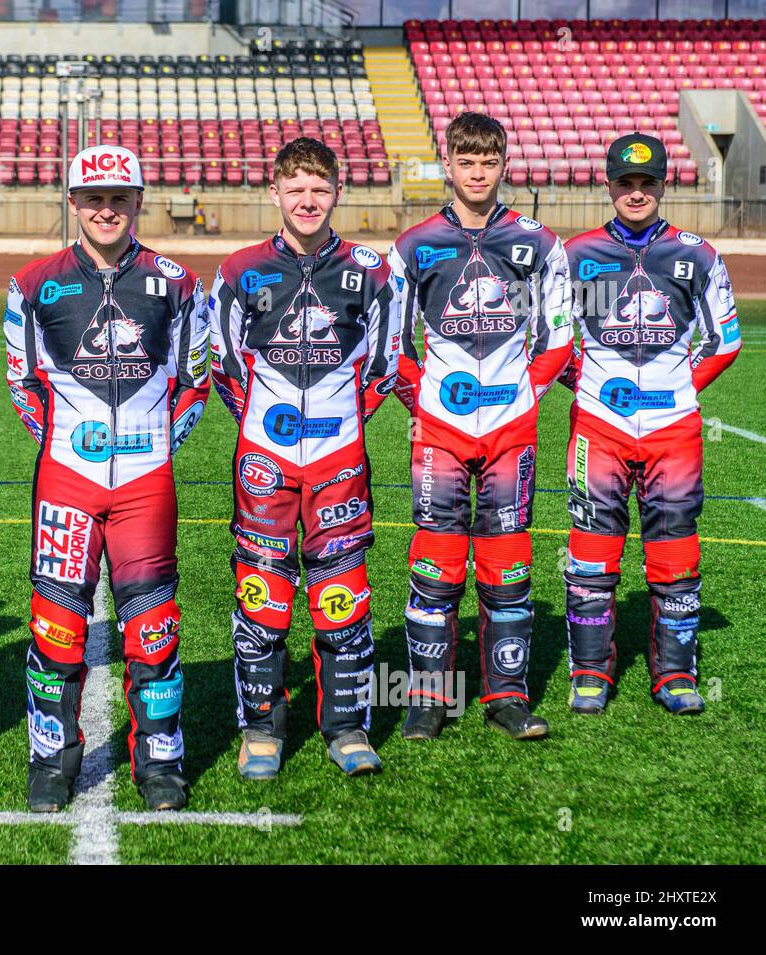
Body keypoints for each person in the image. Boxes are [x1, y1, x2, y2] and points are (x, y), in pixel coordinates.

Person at [4, 144, 210, 812]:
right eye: (93, 199)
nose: (106, 210)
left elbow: (196, 382)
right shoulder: (32, 283)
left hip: (146, 487)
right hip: (66, 479)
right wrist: (70, 446)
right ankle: (51, 760)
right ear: (73, 204)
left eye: (119, 198)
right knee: (56, 628)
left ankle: (159, 760)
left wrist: (153, 448)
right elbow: (21, 381)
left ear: (138, 202)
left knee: (154, 629)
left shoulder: (177, 282)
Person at [209, 137, 400, 778]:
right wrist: (270, 428)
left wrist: (334, 427)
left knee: (342, 596)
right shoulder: (238, 270)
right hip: (263, 459)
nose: (308, 201)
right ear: (275, 195)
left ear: (336, 193)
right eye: (296, 190)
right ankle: (260, 729)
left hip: (339, 457)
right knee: (261, 598)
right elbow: (226, 366)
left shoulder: (373, 272)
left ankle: (347, 728)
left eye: (319, 190)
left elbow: (382, 367)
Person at [387, 111, 572, 741]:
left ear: (502, 167)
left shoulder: (538, 243)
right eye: (465, 162)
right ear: (449, 166)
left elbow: (559, 337)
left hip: (511, 430)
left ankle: (507, 696)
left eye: (487, 162)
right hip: (438, 431)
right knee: (435, 564)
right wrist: (424, 400)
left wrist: (524, 393)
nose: (476, 173)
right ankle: (428, 699)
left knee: (509, 565)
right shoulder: (412, 246)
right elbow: (390, 344)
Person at [558, 134, 739, 715]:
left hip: (674, 431)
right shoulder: (575, 254)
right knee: (591, 549)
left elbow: (725, 340)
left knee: (675, 550)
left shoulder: (698, 255)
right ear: (608, 185)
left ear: (664, 185)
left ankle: (675, 675)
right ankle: (590, 672)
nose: (636, 193)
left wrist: (678, 386)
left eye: (647, 183)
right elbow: (551, 339)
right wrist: (592, 384)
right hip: (598, 428)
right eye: (625, 183)